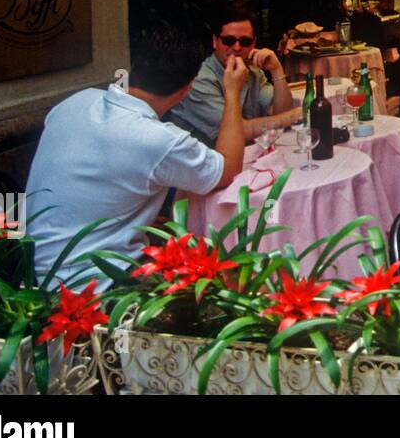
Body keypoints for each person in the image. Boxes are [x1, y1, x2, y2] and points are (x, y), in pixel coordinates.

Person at [27, 27, 248, 283]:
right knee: (227, 274)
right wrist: (232, 91)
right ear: (188, 88)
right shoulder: (160, 140)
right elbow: (228, 169)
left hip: (32, 272)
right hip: (92, 289)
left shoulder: (75, 102)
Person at [168, 7, 301, 146]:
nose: (237, 48)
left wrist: (277, 70)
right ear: (215, 41)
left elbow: (281, 113)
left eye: (245, 42)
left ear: (253, 43)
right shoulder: (198, 78)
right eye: (228, 40)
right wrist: (290, 117)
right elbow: (238, 132)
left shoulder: (253, 71)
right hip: (205, 163)